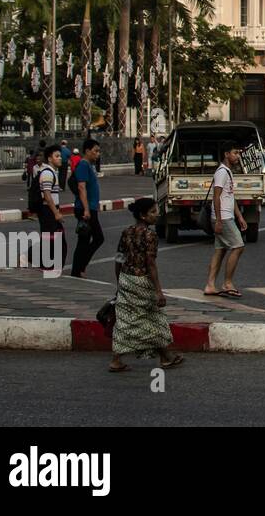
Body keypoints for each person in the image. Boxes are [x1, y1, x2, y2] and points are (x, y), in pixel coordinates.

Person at [108, 198, 182, 372]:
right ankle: (165, 357)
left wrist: (120, 281)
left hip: (126, 279)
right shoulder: (150, 235)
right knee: (154, 318)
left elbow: (119, 258)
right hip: (142, 281)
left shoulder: (126, 232)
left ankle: (117, 360)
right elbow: (151, 264)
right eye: (153, 212)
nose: (157, 215)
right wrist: (158, 291)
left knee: (126, 320)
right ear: (143, 215)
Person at [203, 143, 248, 298]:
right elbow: (216, 196)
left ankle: (210, 285)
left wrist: (240, 216)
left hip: (227, 216)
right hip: (223, 217)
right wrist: (219, 221)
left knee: (220, 251)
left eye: (239, 153)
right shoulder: (222, 172)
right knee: (238, 246)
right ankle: (227, 283)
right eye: (235, 152)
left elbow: (230, 196)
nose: (238, 156)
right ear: (226, 154)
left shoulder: (227, 172)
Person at [70, 139, 105, 278]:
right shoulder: (83, 165)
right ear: (87, 151)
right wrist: (86, 209)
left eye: (98, 151)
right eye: (95, 151)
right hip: (85, 208)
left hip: (90, 207)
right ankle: (79, 267)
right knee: (97, 238)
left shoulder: (90, 165)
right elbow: (81, 187)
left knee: (84, 240)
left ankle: (78, 269)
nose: (97, 154)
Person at [33, 145, 67, 272]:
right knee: (52, 240)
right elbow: (47, 196)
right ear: (50, 159)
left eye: (60, 156)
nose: (60, 159)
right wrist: (56, 213)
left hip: (50, 209)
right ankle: (47, 265)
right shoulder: (47, 173)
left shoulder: (52, 172)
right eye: (57, 156)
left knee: (54, 239)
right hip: (48, 211)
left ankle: (48, 265)